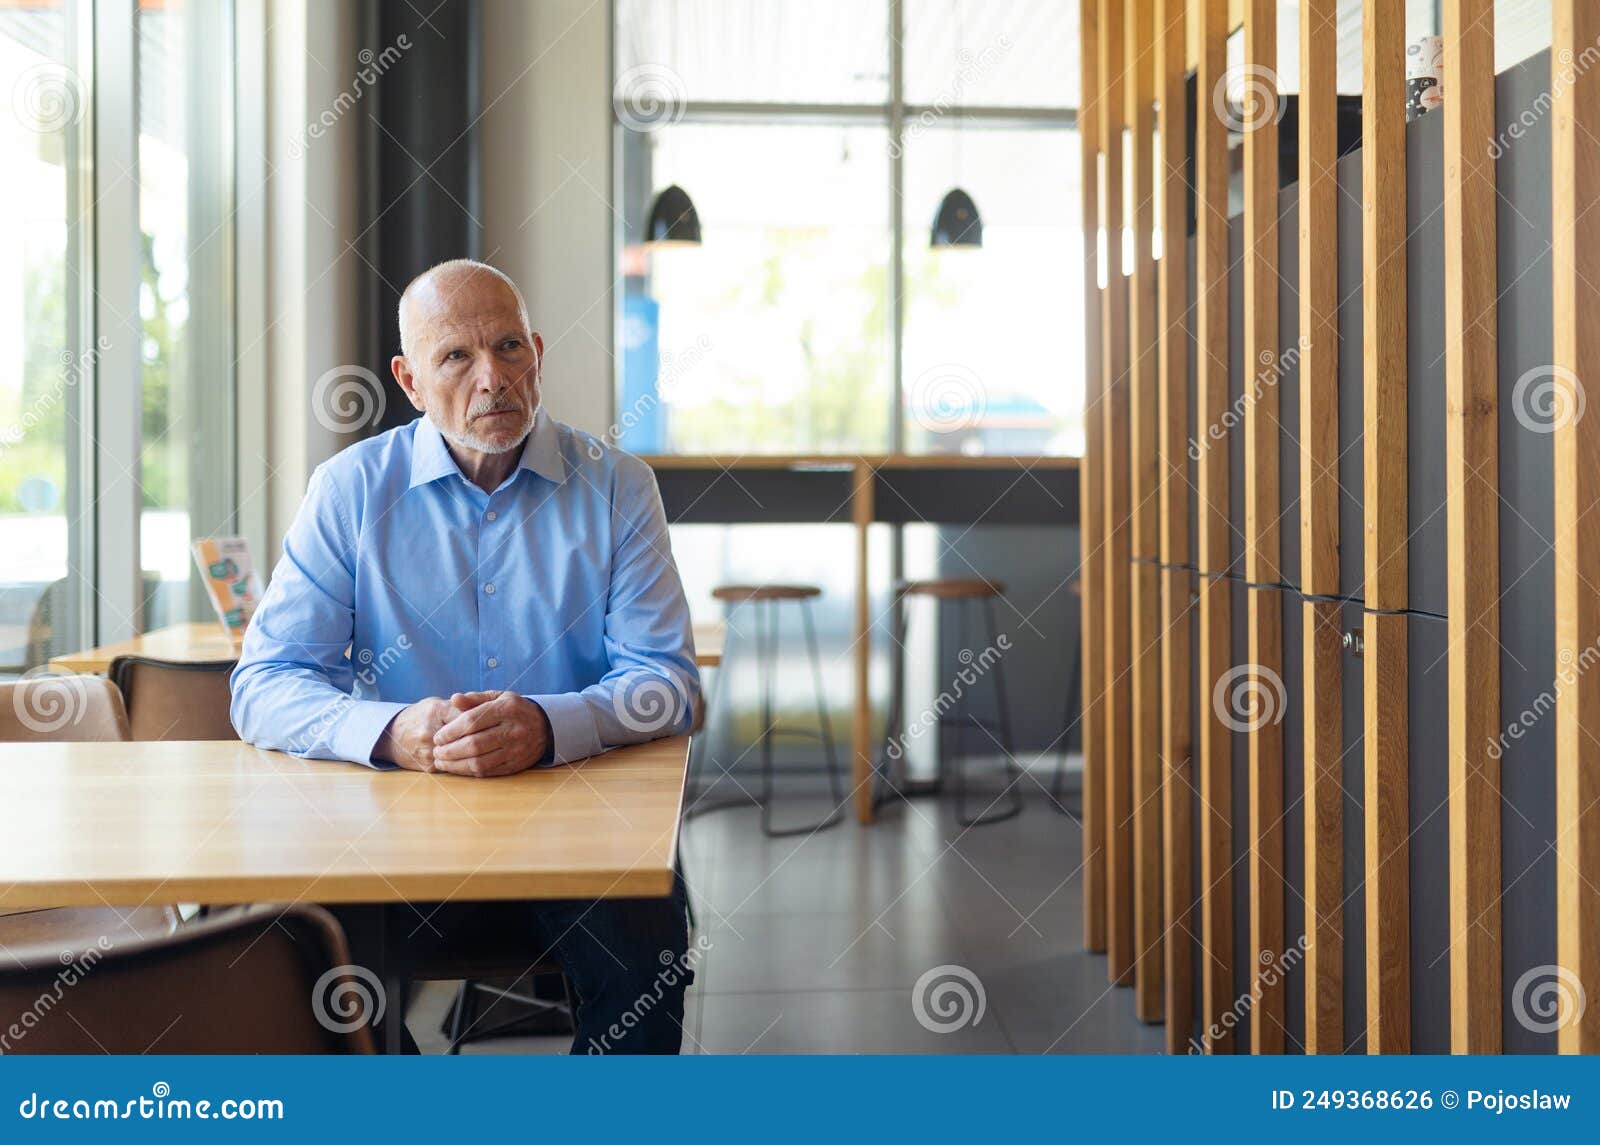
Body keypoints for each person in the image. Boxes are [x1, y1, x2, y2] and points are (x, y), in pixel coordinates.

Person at [231, 258, 700, 1054]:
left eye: (510, 347)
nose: (493, 378)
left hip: (575, 827)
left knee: (648, 954)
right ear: (410, 380)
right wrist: (392, 731)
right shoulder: (348, 490)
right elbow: (264, 683)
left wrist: (549, 726)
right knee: (309, 960)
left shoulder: (619, 485)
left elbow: (668, 683)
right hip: (393, 834)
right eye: (456, 357)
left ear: (539, 354)